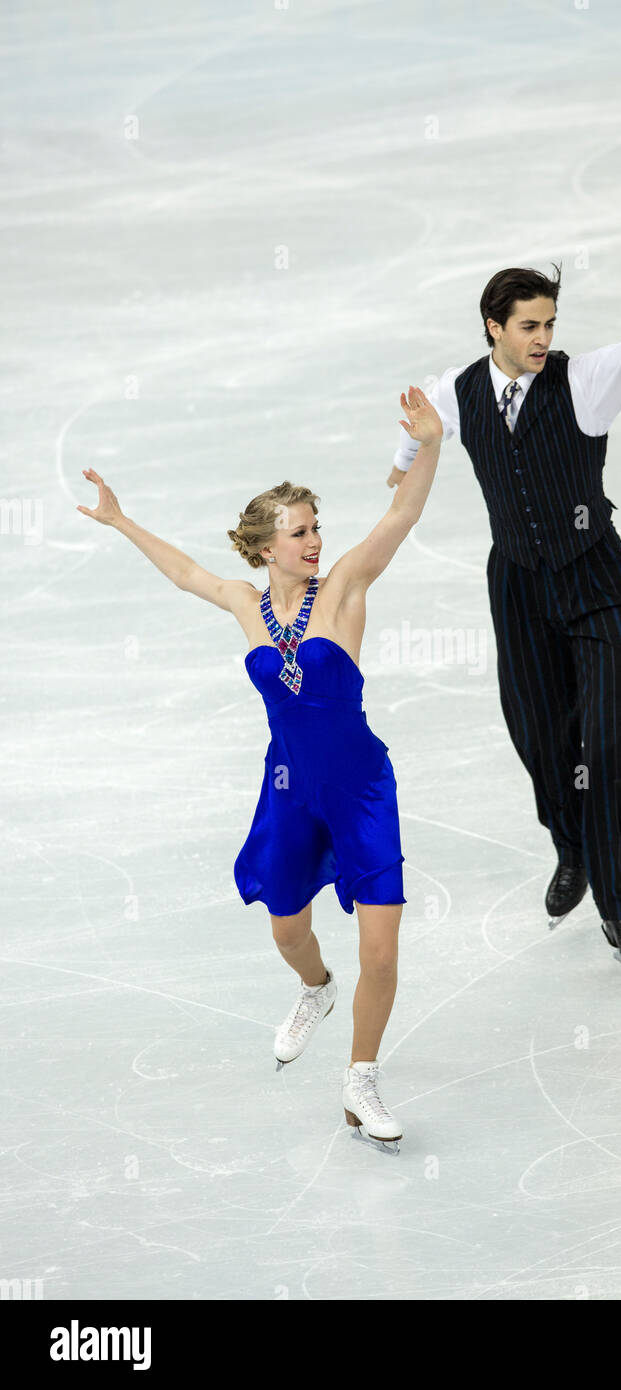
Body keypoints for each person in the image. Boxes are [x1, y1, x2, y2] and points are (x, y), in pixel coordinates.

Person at [77, 385, 443, 1151]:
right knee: (287, 932)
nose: (313, 541)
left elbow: (400, 518)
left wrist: (431, 443)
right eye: (299, 532)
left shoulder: (341, 588)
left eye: (316, 528)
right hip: (289, 790)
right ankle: (316, 988)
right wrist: (119, 521)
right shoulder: (248, 605)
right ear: (265, 546)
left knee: (382, 949)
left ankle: (361, 1079)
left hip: (361, 788)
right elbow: (185, 575)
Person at [388, 255, 621, 978]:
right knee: (539, 732)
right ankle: (572, 846)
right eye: (528, 326)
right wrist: (402, 459)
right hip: (520, 587)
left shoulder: (584, 382)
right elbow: (420, 425)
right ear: (493, 328)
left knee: (612, 742)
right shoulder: (459, 390)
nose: (542, 337)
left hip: (597, 581)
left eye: (550, 324)